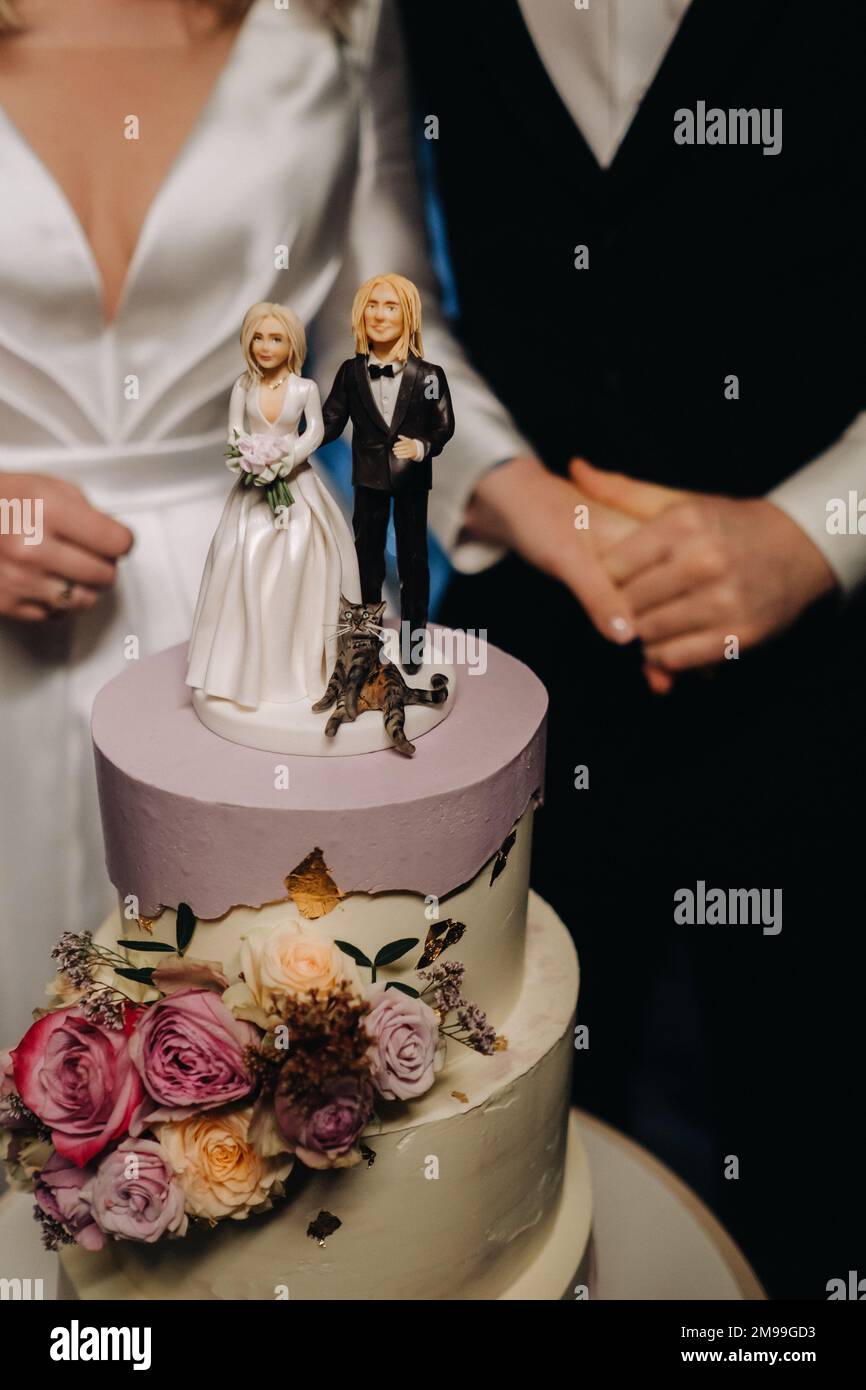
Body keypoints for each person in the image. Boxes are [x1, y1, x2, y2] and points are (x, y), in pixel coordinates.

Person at [398, 0, 866, 1297]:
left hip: (828, 672)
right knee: (490, 1146)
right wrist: (522, 495)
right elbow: (375, 285)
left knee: (817, 1147)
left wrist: (814, 531)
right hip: (525, 667)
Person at [0, 0, 537, 1040]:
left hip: (259, 608)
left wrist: (558, 517)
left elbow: (389, 335)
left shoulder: (339, 14)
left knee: (275, 1054)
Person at [186, 302, 361, 707]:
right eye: (259, 337)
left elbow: (315, 431)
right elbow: (234, 432)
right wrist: (244, 456)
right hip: (252, 492)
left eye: (276, 338)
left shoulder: (305, 389)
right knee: (238, 557)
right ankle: (240, 668)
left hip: (296, 488)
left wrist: (286, 459)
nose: (266, 346)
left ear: (292, 343)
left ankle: (298, 665)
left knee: (302, 561)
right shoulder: (243, 387)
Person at [321, 273, 455, 669]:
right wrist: (301, 443)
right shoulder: (350, 372)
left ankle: (414, 651)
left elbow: (444, 425)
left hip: (412, 480)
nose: (380, 315)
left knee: (414, 564)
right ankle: (368, 646)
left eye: (390, 306)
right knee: (367, 563)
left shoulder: (429, 375)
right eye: (373, 306)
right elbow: (332, 418)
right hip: (367, 479)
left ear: (408, 315)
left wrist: (423, 446)